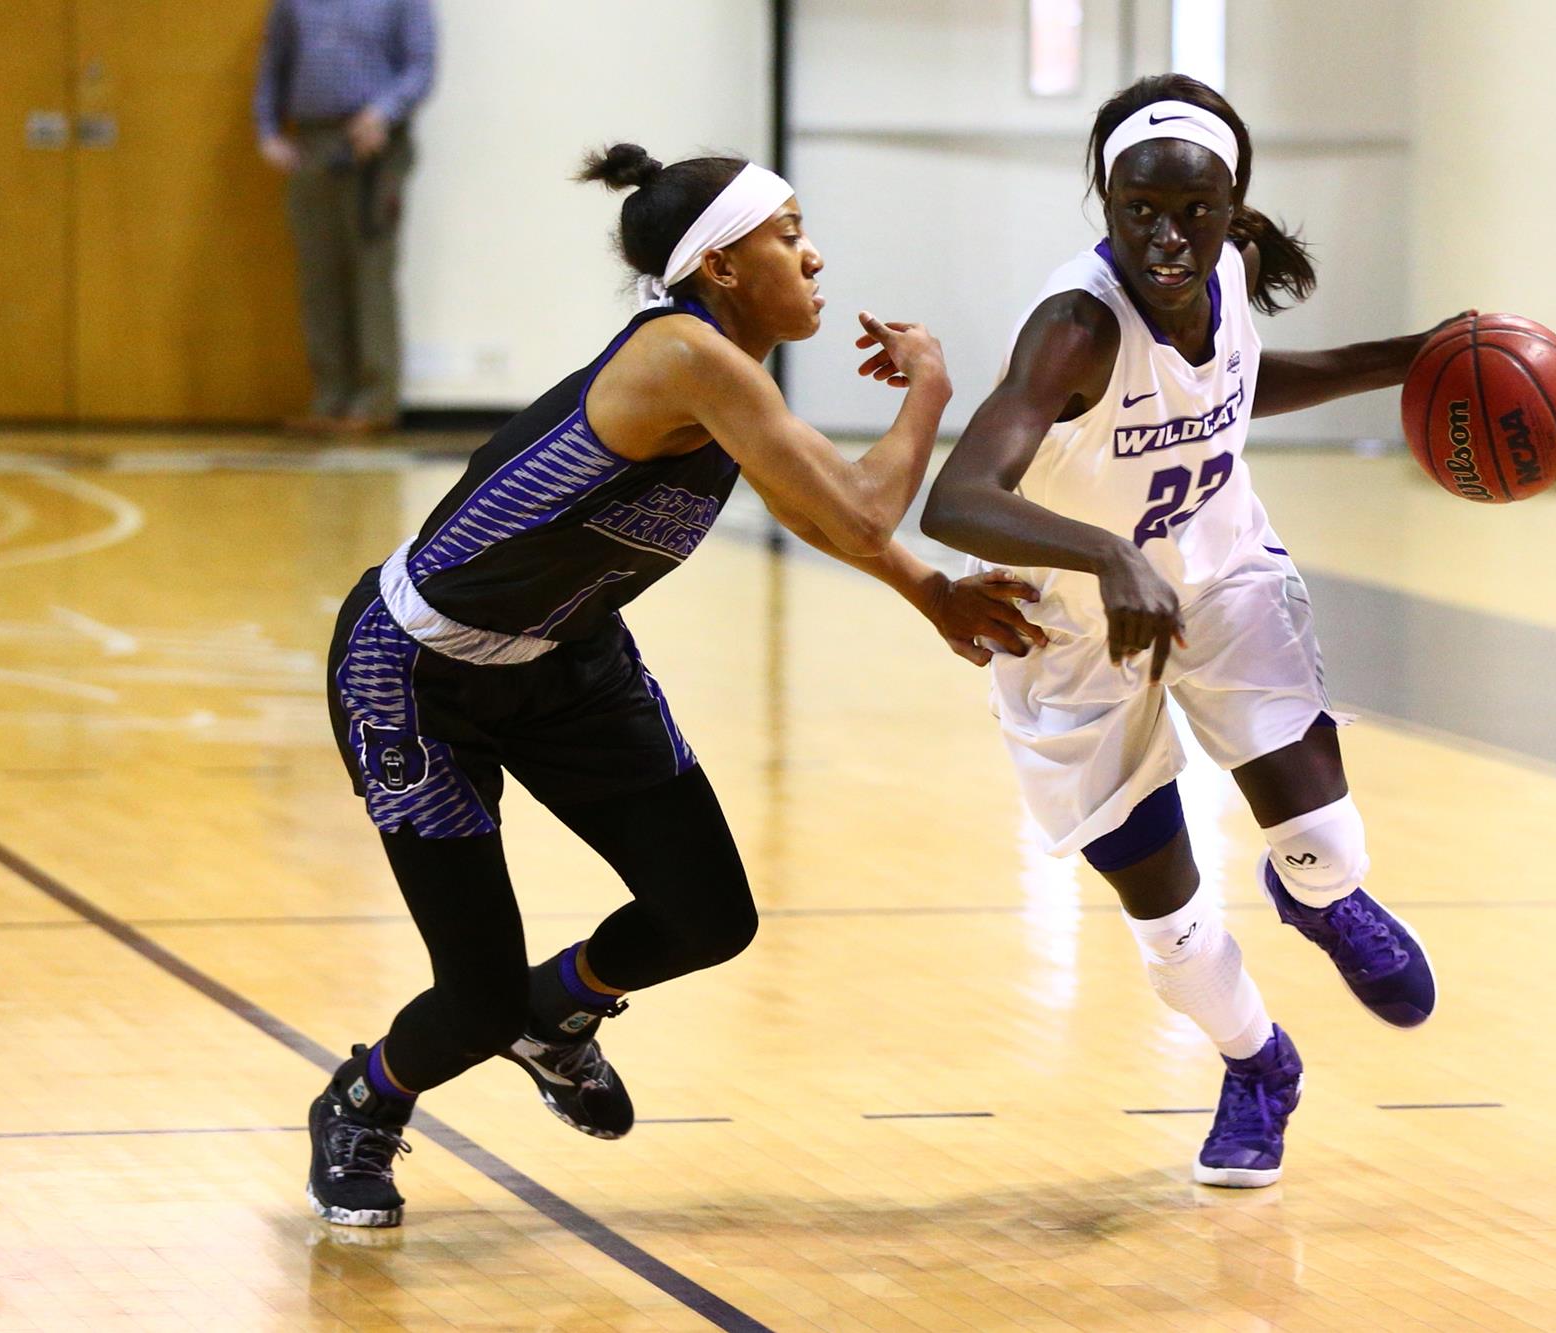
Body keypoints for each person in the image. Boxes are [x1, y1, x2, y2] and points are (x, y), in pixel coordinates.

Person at [307, 145, 1045, 1227]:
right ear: (723, 267)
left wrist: (930, 593)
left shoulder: (722, 368)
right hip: (418, 672)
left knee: (706, 915)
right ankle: (363, 1101)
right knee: (471, 999)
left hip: (569, 659)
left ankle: (553, 1015)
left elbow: (814, 512)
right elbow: (861, 511)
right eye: (788, 235)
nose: (812, 253)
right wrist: (931, 385)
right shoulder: (683, 357)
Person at [922, 74, 1443, 1188]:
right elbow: (956, 497)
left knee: (1329, 843)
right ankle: (1257, 1064)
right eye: (1135, 211)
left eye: (1191, 213)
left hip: (1218, 574)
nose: (1165, 237)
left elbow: (1238, 385)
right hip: (1060, 622)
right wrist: (1107, 557)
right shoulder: (1073, 328)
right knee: (1164, 919)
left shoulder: (1233, 270)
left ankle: (1317, 897)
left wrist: (1406, 355)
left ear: (1232, 204)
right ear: (1103, 202)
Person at [254, 0, 438, 434]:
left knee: (371, 272)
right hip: (313, 143)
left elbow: (420, 67)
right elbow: (273, 60)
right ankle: (329, 399)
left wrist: (382, 113)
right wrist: (267, 131)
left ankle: (374, 403)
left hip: (376, 145)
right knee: (318, 273)